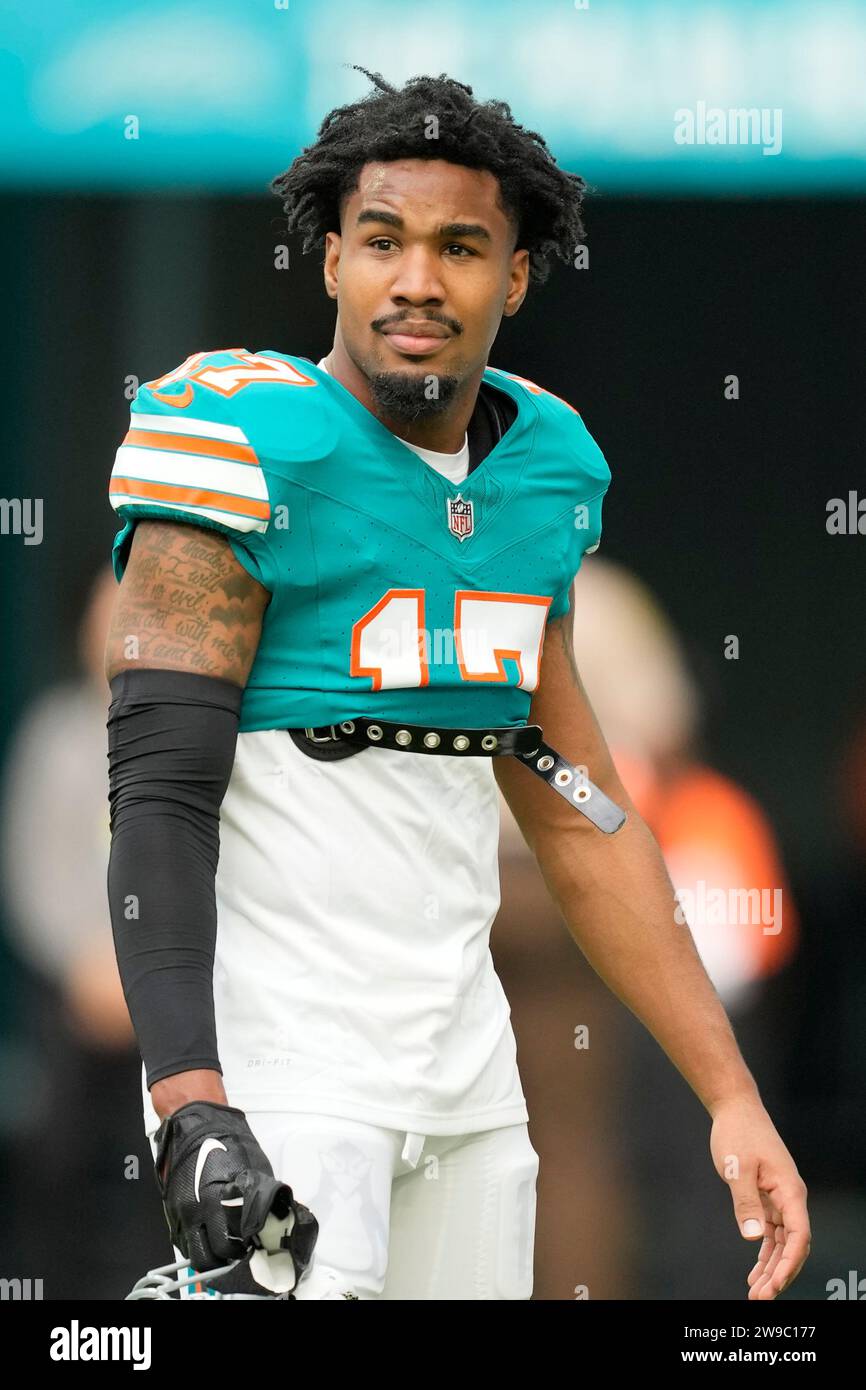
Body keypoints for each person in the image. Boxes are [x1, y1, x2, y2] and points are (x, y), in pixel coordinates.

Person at [105, 67, 809, 1300]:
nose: (417, 280)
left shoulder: (543, 469)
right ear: (329, 260)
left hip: (469, 1077)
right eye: (381, 240)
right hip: (287, 1066)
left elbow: (576, 810)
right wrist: (190, 1102)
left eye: (460, 246)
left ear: (517, 275)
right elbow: (158, 796)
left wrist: (730, 1094)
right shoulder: (235, 439)